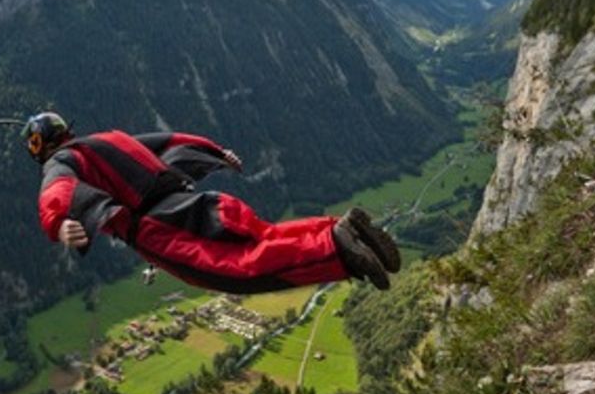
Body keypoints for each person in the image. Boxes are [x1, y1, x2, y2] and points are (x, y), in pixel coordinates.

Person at [26, 110, 400, 292]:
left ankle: (337, 247)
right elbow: (171, 140)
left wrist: (58, 223)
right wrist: (216, 152)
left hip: (160, 226)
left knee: (237, 270)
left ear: (42, 147)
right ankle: (341, 229)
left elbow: (55, 190)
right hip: (194, 201)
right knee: (262, 237)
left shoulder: (62, 160)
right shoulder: (109, 140)